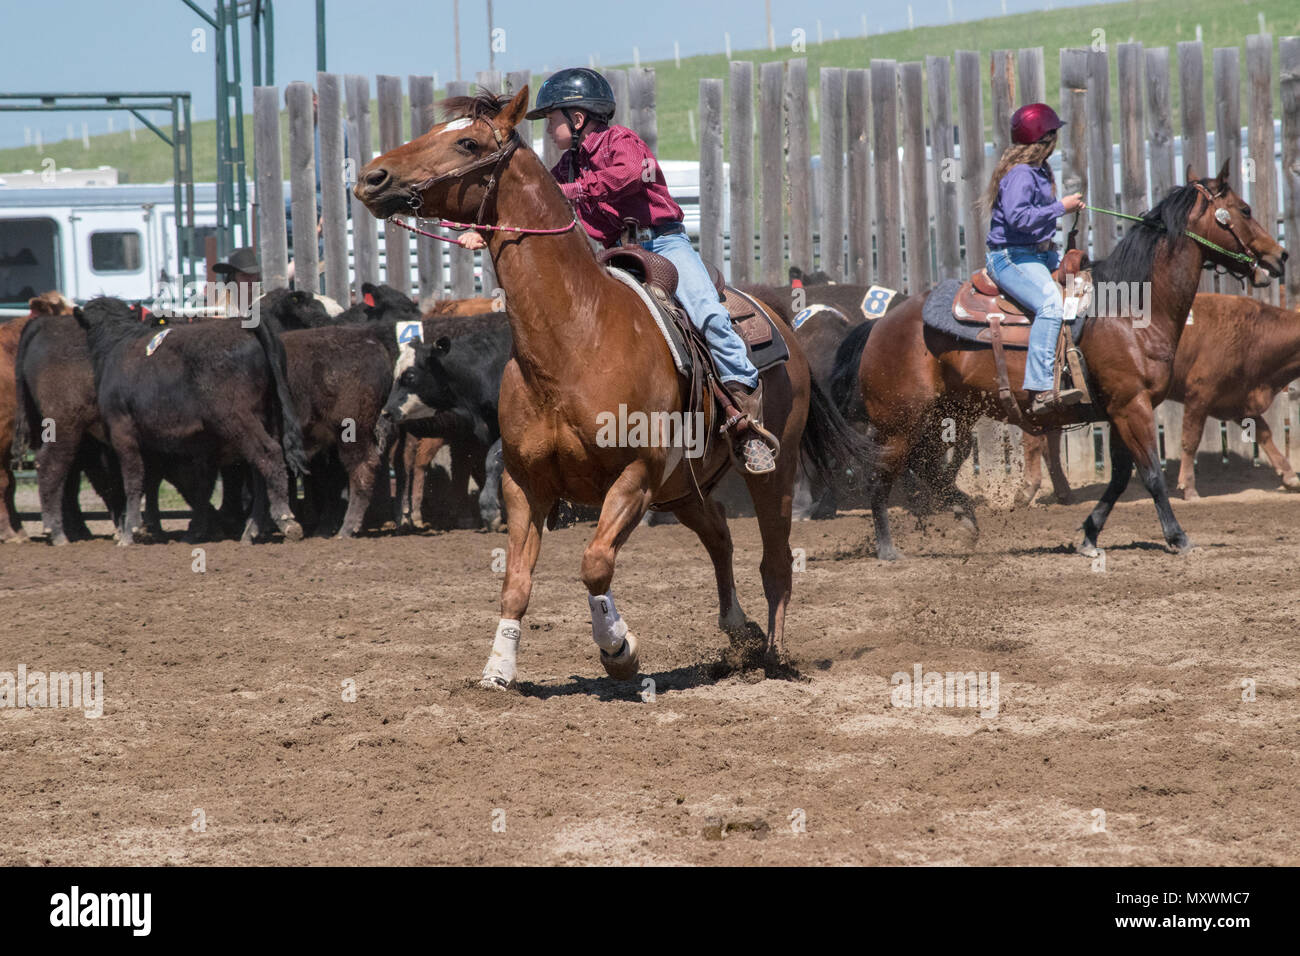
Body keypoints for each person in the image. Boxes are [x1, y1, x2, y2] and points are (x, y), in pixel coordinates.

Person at [457, 68, 777, 474]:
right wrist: (483, 230)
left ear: (577, 119)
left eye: (552, 118)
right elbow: (537, 202)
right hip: (613, 252)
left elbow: (624, 177)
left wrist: (567, 191)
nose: (548, 128)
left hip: (664, 244)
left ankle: (747, 418)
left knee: (708, 314)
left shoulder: (621, 141)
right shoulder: (566, 166)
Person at [982, 102, 1087, 415]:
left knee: (1086, 291)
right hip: (1010, 257)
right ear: (1047, 139)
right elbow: (1018, 218)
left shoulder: (1041, 170)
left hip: (1039, 255)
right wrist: (1061, 208)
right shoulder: (1021, 174)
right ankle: (1041, 390)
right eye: (1054, 135)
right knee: (1050, 305)